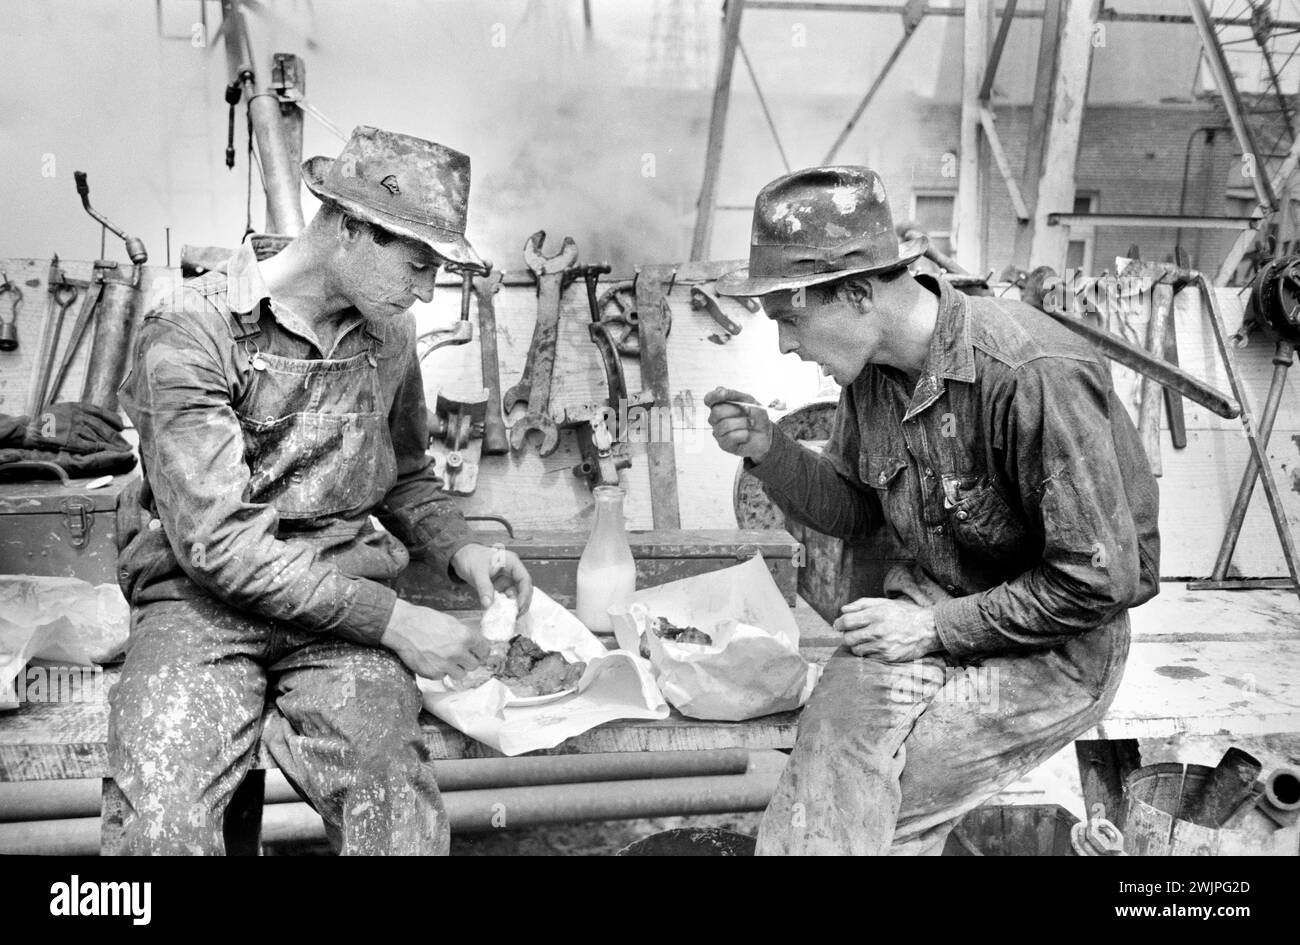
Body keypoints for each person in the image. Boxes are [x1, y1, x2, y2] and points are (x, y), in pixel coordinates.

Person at [706, 166, 1160, 855]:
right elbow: (861, 509)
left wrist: (930, 627)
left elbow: (1098, 582)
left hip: (1054, 651)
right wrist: (773, 451)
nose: (787, 345)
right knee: (817, 810)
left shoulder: (1032, 374)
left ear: (858, 293)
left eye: (790, 318)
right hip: (919, 619)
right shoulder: (872, 376)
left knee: (885, 818)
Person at [109, 126, 533, 855]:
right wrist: (395, 620)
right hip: (199, 606)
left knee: (395, 811)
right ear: (346, 226)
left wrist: (460, 549)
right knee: (164, 826)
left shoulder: (388, 336)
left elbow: (403, 472)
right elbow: (219, 545)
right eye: (419, 263)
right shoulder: (190, 331)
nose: (427, 290)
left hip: (337, 616)